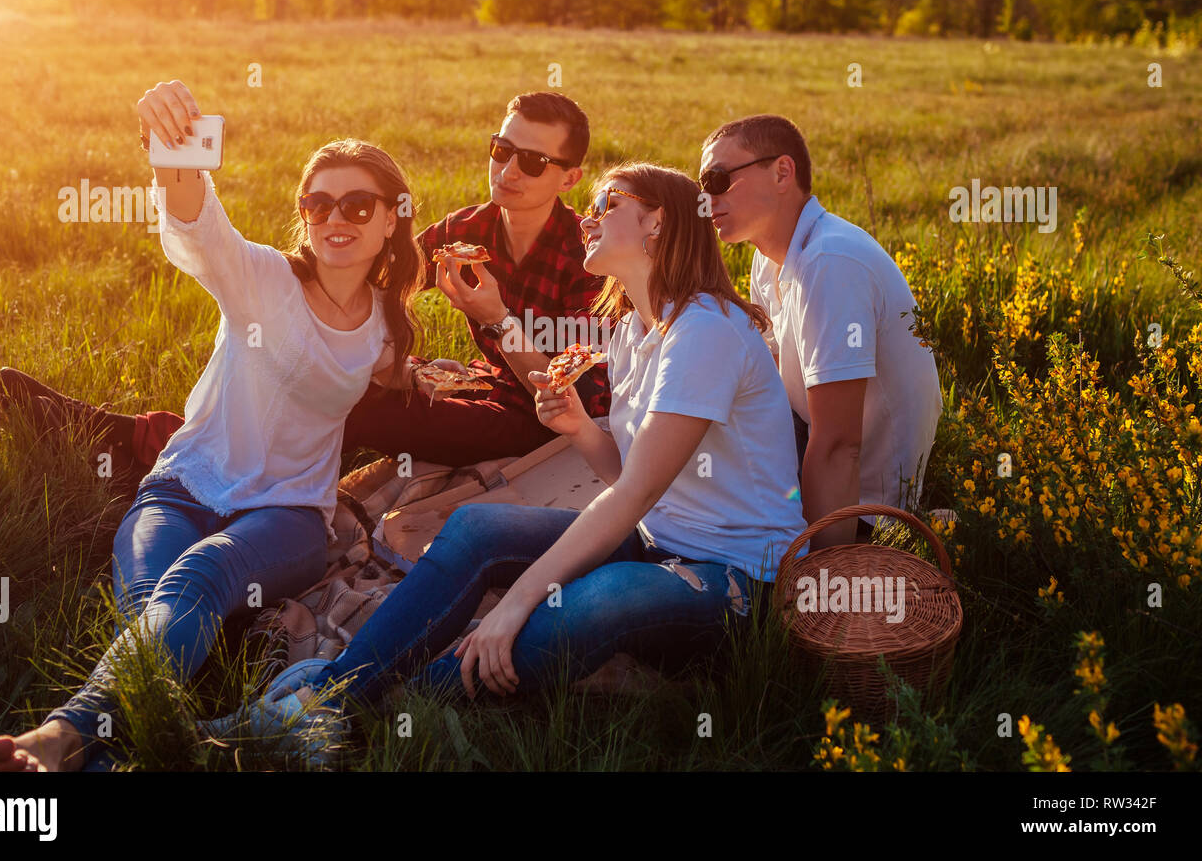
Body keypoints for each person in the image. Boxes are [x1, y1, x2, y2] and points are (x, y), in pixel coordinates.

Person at [246, 162, 809, 726]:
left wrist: (515, 602)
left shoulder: (705, 330)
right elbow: (627, 474)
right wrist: (582, 427)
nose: (587, 223)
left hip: (737, 579)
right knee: (474, 527)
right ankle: (335, 696)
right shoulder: (635, 329)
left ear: (656, 223)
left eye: (606, 207)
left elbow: (634, 493)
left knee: (591, 602)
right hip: (658, 540)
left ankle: (358, 716)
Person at [0, 79, 425, 771]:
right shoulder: (261, 280)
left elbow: (404, 388)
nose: (335, 217)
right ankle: (133, 754)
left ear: (390, 218)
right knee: (153, 616)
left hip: (287, 515)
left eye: (358, 204)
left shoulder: (388, 331)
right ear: (303, 215)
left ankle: (62, 733)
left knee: (198, 579)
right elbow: (197, 217)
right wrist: (171, 146)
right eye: (318, 203)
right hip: (182, 489)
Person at [0, 92, 609, 483]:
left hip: (540, 415)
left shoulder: (590, 255)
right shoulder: (469, 228)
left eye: (532, 162)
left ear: (570, 176)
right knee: (306, 363)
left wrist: (499, 320)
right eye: (502, 150)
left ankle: (131, 439)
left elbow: (576, 397)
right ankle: (164, 441)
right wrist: (283, 301)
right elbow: (372, 272)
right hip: (480, 380)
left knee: (351, 404)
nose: (507, 170)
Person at [700, 114, 943, 550]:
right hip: (819, 461)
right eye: (702, 186)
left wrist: (819, 574)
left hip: (865, 509)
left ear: (782, 172)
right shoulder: (770, 258)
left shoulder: (830, 260)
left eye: (718, 179)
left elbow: (838, 443)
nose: (707, 199)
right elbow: (772, 381)